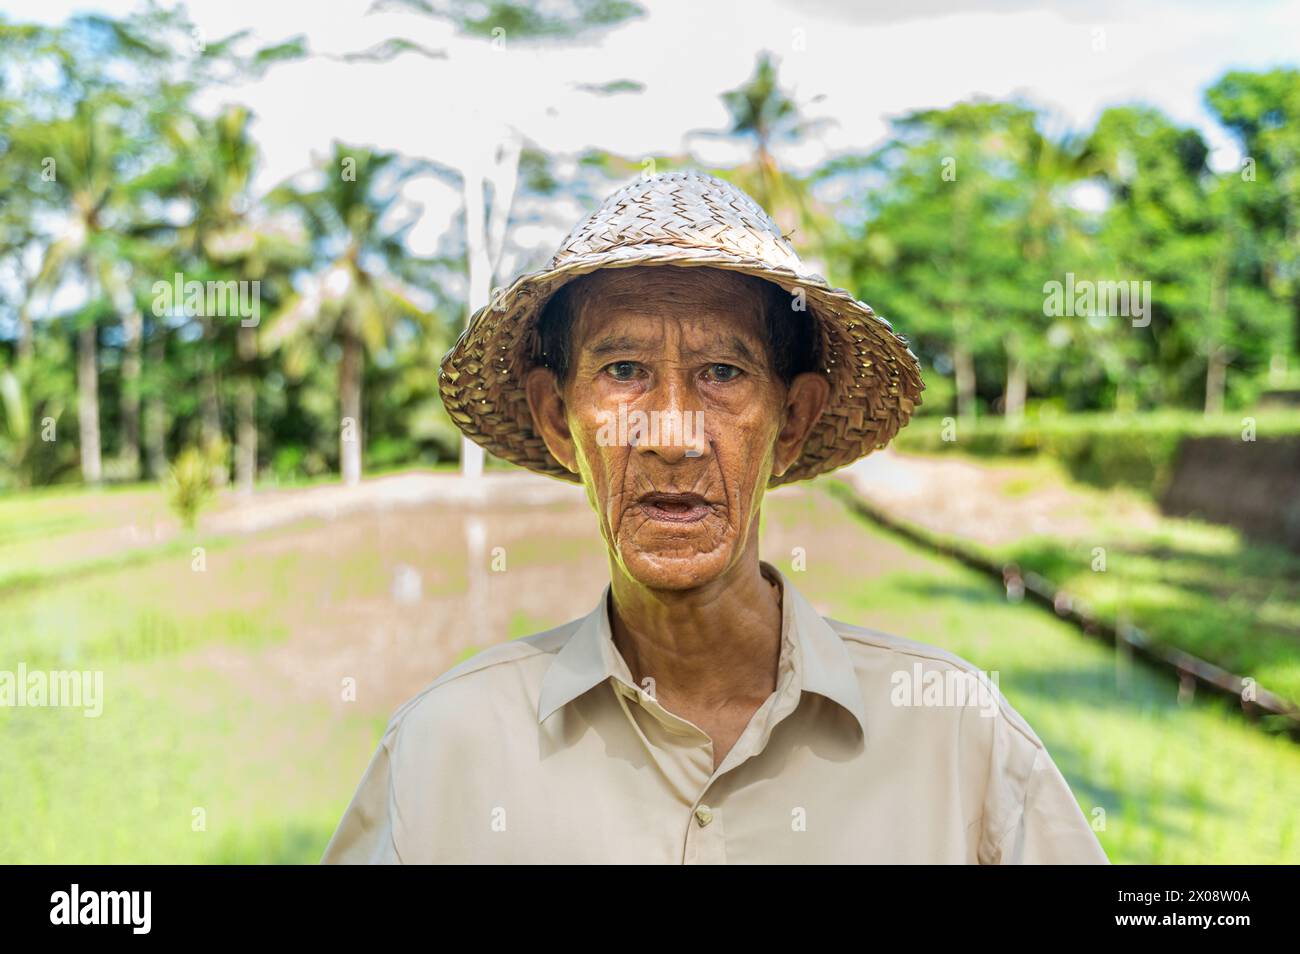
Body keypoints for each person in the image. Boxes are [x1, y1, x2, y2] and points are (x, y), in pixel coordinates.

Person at [321, 170, 1109, 864]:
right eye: (623, 370)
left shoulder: (954, 739)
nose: (672, 436)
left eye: (722, 372)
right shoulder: (445, 749)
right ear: (558, 419)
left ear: (791, 419)